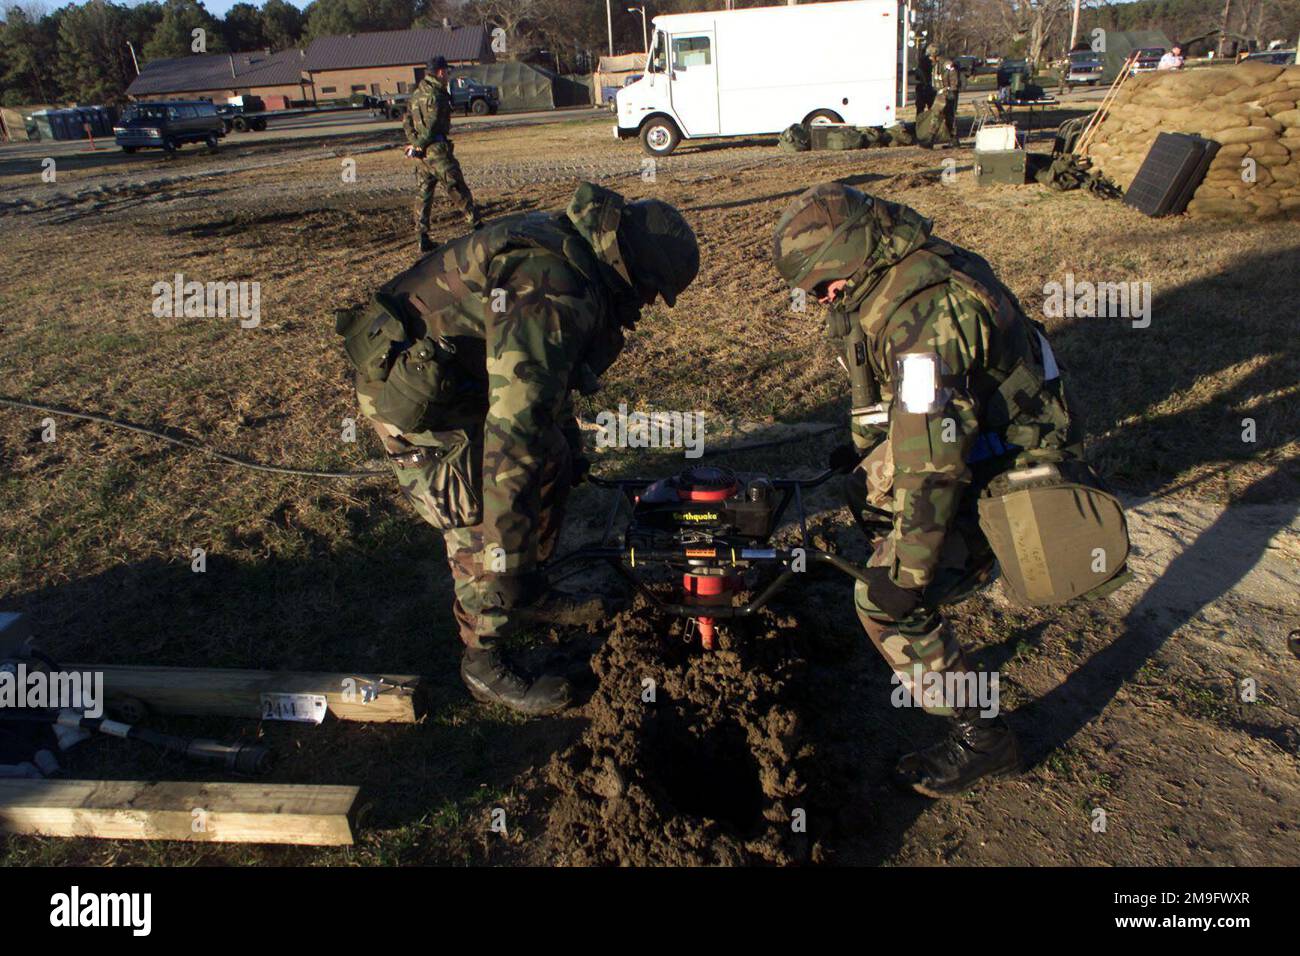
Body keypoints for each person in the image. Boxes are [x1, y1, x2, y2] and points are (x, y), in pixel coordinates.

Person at [771, 183, 1086, 796]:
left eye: (822, 286)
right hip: (981, 440)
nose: (820, 300)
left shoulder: (925, 317)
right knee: (869, 492)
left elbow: (935, 463)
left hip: (1011, 470)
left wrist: (907, 576)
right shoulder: (910, 269)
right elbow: (908, 418)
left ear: (849, 258)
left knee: (881, 602)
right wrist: (870, 463)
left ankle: (983, 739)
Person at [337, 183, 699, 715]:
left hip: (470, 376)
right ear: (632, 270)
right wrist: (503, 554)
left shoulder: (579, 253)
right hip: (416, 393)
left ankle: (528, 592)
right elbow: (514, 434)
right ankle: (483, 656)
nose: (645, 308)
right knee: (480, 514)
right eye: (649, 294)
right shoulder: (552, 288)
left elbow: (535, 384)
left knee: (555, 459)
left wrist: (566, 445)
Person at [404, 55, 482, 252]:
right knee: (456, 187)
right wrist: (420, 144)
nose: (448, 75)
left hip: (422, 156)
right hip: (436, 151)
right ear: (440, 72)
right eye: (446, 72)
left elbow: (406, 120)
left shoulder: (416, 94)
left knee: (423, 194)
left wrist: (414, 144)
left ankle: (422, 236)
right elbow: (433, 125)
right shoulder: (436, 94)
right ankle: (476, 226)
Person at [914, 46, 936, 114]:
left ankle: (920, 122)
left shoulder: (920, 62)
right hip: (930, 87)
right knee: (932, 108)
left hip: (922, 87)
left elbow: (917, 76)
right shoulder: (931, 62)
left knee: (920, 109)